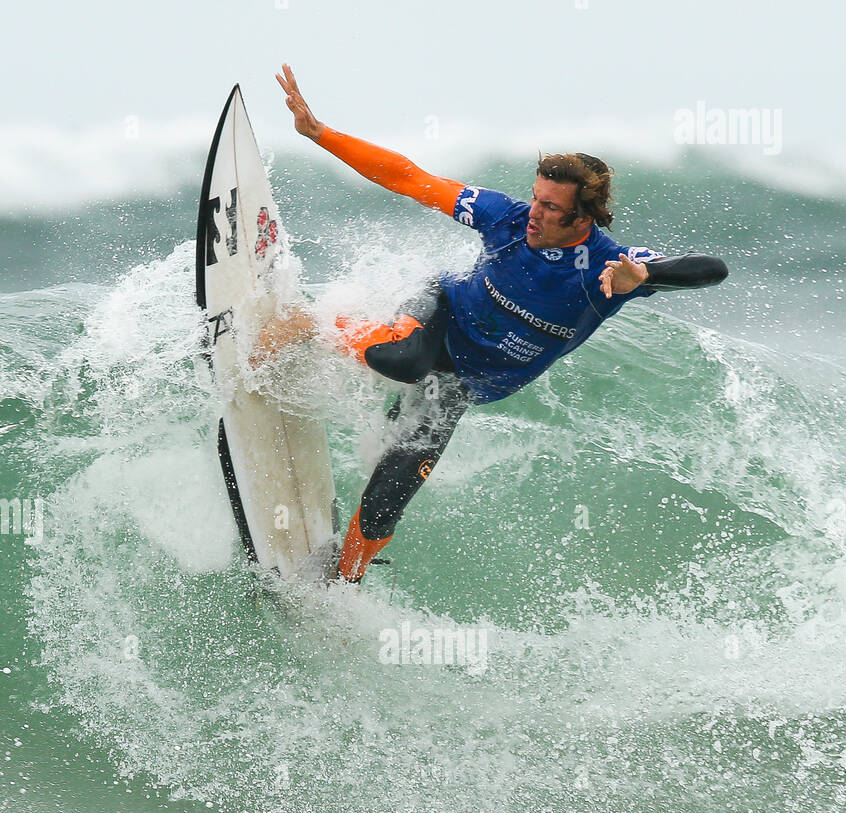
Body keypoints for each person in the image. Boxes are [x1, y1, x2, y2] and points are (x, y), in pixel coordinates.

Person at [256, 63, 728, 584]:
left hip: (461, 382)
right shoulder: (502, 217)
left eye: (550, 208)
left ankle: (344, 581)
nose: (534, 213)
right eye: (536, 198)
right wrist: (321, 133)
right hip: (439, 316)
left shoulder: (608, 267)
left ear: (582, 219)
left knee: (387, 500)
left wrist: (645, 277)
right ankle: (313, 323)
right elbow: (410, 178)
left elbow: (711, 269)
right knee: (403, 360)